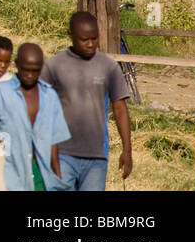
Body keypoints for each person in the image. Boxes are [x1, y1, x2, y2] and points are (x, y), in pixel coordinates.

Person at [41, 11, 133, 190]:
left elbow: (120, 108)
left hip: (96, 156)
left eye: (95, 38)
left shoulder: (109, 67)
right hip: (61, 154)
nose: (91, 44)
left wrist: (127, 150)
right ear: (70, 36)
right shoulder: (55, 66)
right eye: (84, 39)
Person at [0, 42, 70, 191]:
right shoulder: (1, 93)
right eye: (25, 70)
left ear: (42, 67)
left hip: (41, 174)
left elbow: (53, 142)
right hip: (10, 174)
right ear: (16, 64)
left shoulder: (50, 96)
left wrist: (57, 176)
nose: (30, 75)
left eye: (35, 71)